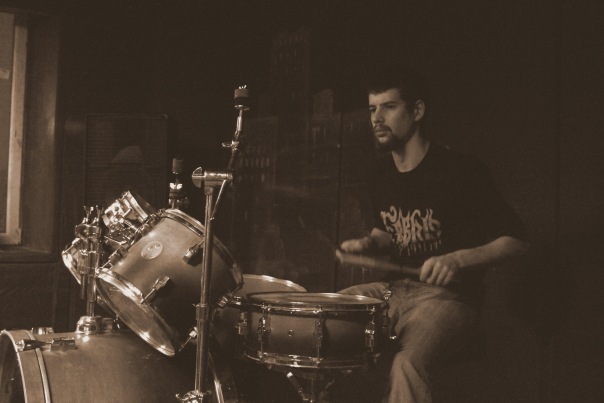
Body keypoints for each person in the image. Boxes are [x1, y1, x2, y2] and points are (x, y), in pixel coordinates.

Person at [336, 66, 530, 403]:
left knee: (407, 363)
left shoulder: (462, 171)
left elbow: (517, 241)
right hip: (391, 292)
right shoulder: (379, 174)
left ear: (417, 110)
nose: (377, 118)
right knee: (323, 315)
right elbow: (386, 233)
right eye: (372, 109)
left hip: (448, 298)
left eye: (389, 107)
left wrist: (456, 260)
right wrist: (367, 244)